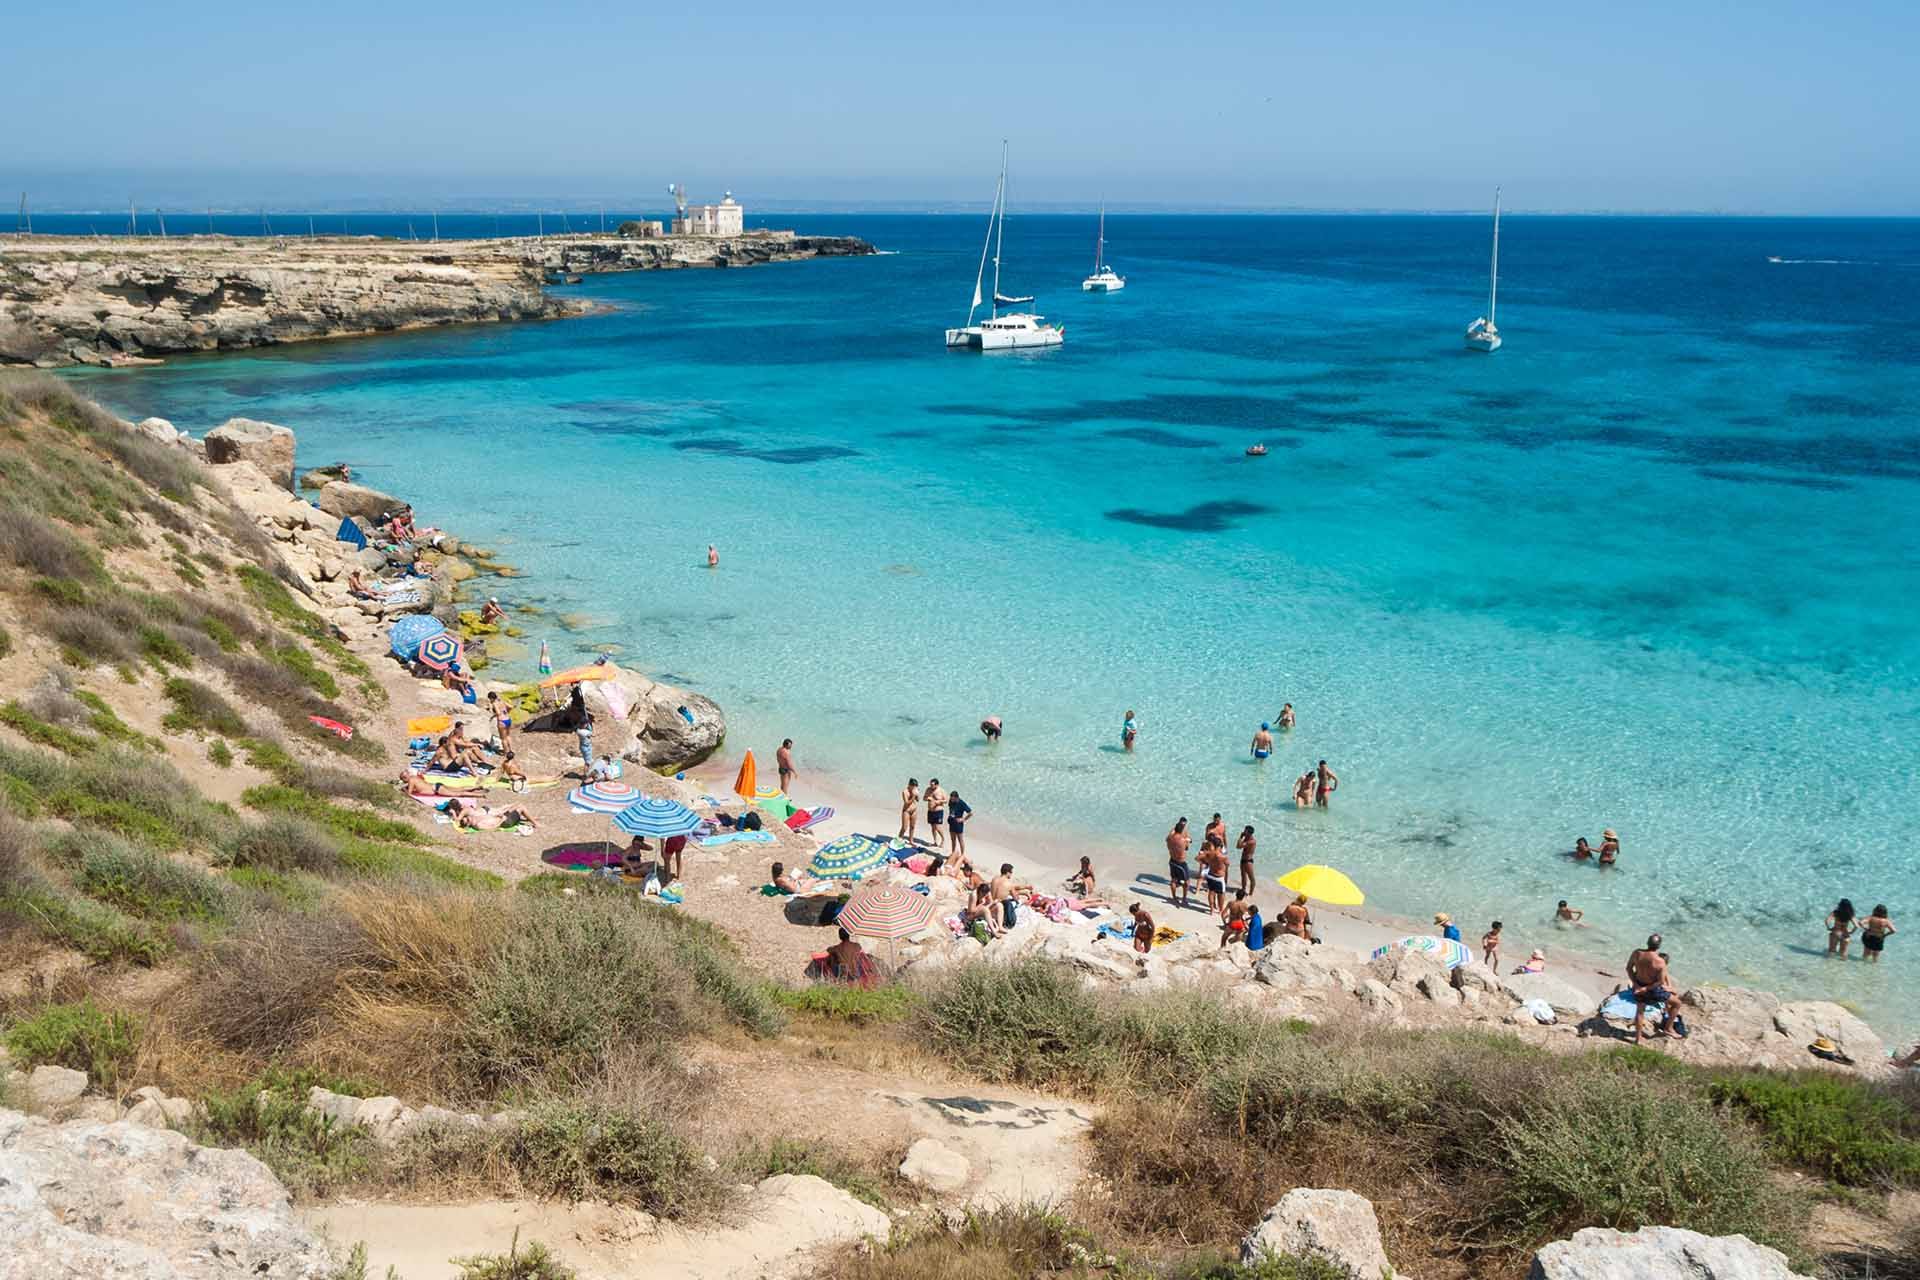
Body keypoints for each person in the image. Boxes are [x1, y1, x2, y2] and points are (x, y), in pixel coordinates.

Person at [1627, 934, 1677, 1044]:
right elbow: (1659, 981)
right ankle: (1668, 1027)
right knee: (1677, 1003)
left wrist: (1636, 984)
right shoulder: (1660, 961)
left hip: (1639, 986)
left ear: (1647, 943)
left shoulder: (1637, 953)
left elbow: (1629, 969)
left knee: (1640, 1012)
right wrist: (1645, 988)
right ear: (1659, 946)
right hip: (1652, 990)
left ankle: (1638, 1039)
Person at [990, 863, 1029, 932]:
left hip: (991, 904)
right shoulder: (1009, 883)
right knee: (1022, 901)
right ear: (1007, 872)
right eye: (1011, 872)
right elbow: (1016, 898)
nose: (1011, 874)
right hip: (1000, 908)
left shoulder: (994, 879)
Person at [452, 800, 537, 831]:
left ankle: (530, 818)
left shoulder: (475, 818)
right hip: (505, 821)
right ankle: (535, 823)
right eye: (467, 820)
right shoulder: (478, 825)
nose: (468, 818)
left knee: (517, 804)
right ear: (468, 824)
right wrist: (502, 820)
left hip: (500, 816)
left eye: (466, 818)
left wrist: (499, 815)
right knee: (520, 806)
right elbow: (493, 827)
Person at [1165, 817, 1193, 910]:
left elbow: (1168, 838)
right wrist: (1188, 841)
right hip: (1181, 863)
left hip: (1172, 860)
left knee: (1173, 880)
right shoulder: (1183, 840)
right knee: (1187, 882)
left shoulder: (1169, 838)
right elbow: (1186, 848)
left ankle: (1174, 897)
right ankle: (1184, 899)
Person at [400, 769, 483, 799]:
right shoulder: (415, 777)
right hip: (436, 785)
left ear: (405, 778)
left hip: (436, 789)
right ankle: (476, 787)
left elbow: (409, 794)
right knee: (458, 788)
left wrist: (404, 789)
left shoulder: (411, 780)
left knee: (457, 794)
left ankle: (479, 795)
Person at [1199, 842, 1229, 918]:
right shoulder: (1222, 857)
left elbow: (1198, 858)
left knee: (1211, 892)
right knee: (1221, 894)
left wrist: (1207, 862)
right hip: (1219, 877)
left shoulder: (1209, 854)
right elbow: (1228, 864)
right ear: (1220, 847)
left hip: (1210, 875)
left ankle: (1211, 910)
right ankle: (1220, 910)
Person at [947, 791, 973, 858]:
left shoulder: (962, 803)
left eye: (953, 799)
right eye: (951, 798)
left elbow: (970, 813)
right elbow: (950, 809)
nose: (951, 800)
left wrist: (963, 819)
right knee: (953, 839)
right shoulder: (950, 801)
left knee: (960, 840)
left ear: (956, 798)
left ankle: (962, 855)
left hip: (958, 823)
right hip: (951, 822)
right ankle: (953, 853)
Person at [924, 778, 946, 849]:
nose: (931, 786)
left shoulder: (941, 791)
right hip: (930, 811)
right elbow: (924, 798)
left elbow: (946, 800)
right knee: (933, 827)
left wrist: (939, 802)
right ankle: (935, 842)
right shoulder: (928, 789)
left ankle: (943, 840)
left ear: (937, 785)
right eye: (930, 784)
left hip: (938, 811)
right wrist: (927, 798)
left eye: (932, 785)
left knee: (938, 827)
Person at [1235, 825, 1257, 896]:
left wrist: (1241, 837)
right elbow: (1238, 846)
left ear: (1248, 832)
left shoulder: (1251, 841)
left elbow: (1238, 846)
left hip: (1248, 861)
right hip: (1243, 860)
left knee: (1252, 879)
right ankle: (1243, 890)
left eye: (1245, 830)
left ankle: (1250, 894)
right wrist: (1242, 838)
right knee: (1243, 876)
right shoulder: (1246, 838)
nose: (1244, 831)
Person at [575, 710, 595, 777]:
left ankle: (587, 774)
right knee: (587, 763)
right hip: (585, 747)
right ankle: (585, 776)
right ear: (583, 724)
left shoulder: (578, 730)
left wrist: (588, 724)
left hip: (585, 746)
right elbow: (593, 734)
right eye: (586, 724)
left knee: (589, 761)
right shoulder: (583, 732)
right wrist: (590, 726)